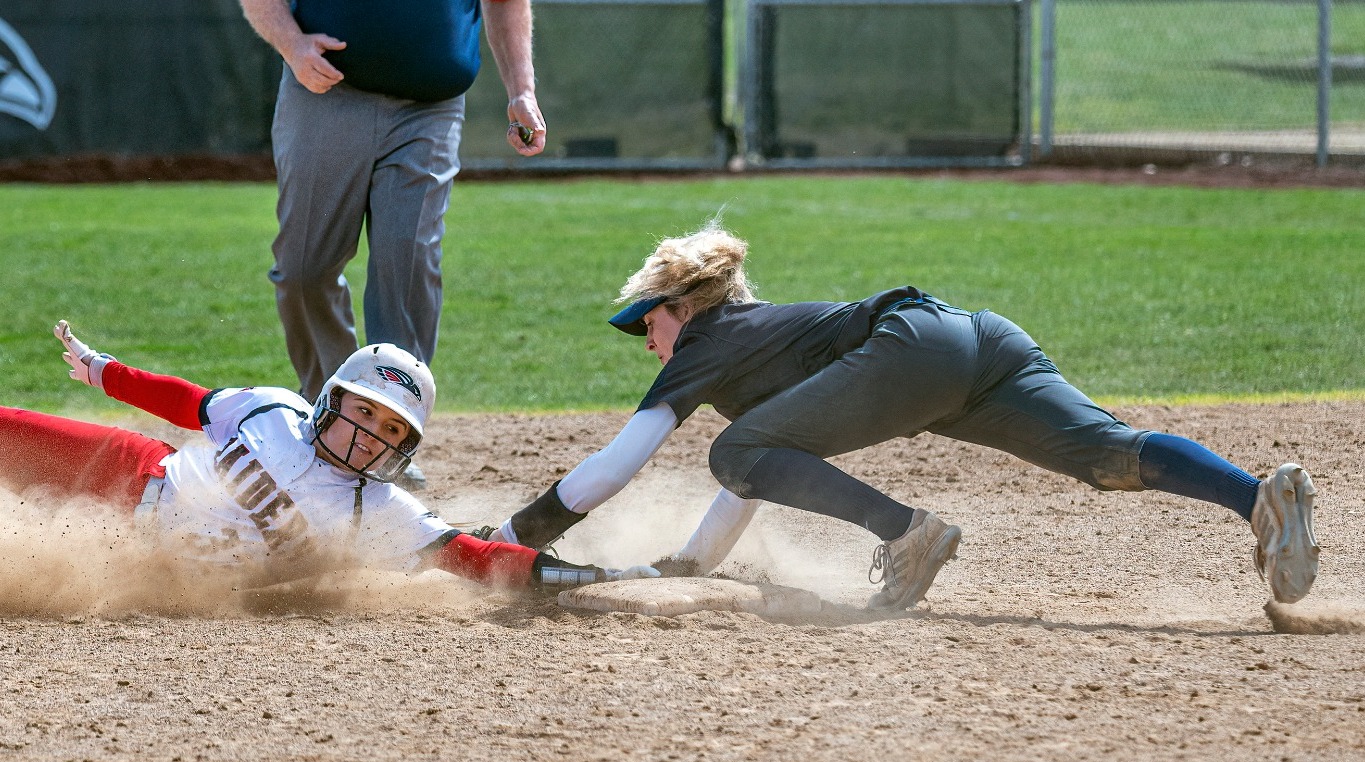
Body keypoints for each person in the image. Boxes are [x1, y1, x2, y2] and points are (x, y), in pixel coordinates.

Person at [479, 222, 1321, 610]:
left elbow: (625, 462)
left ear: (685, 305)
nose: (649, 343)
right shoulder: (754, 349)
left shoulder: (711, 336)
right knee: (1107, 455)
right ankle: (1259, 498)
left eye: (649, 324)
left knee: (734, 447)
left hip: (911, 345)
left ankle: (905, 531)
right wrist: (691, 565)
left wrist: (521, 532)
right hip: (974, 342)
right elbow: (753, 474)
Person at [0, 321, 654, 594]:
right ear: (333, 398)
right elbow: (190, 403)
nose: (369, 432)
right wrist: (103, 372)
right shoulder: (274, 411)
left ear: (403, 447)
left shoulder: (377, 508)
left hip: (151, 564)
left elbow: (470, 555)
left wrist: (568, 576)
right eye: (364, 409)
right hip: (137, 470)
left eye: (389, 427)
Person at [238, 0, 548, 490]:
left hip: (431, 107)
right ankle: (332, 420)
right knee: (303, 271)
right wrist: (292, 45)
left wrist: (522, 90)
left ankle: (385, 434)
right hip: (326, 92)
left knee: (408, 264)